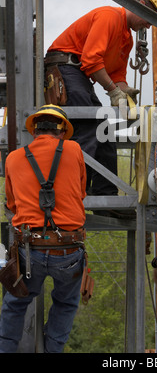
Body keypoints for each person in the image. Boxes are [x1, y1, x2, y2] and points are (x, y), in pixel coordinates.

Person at [44, 0, 157, 198]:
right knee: (87, 126)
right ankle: (74, 193)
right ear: (141, 6)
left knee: (104, 130)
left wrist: (124, 91)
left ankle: (105, 195)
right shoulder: (109, 17)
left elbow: (116, 74)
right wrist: (113, 91)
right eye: (150, 19)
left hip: (79, 75)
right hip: (65, 68)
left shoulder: (127, 38)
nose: (148, 26)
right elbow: (91, 60)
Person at [0, 104, 87, 353]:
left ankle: (5, 349)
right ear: (62, 131)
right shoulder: (74, 149)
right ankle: (53, 349)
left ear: (34, 130)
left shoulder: (14, 157)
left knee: (15, 303)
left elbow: (12, 204)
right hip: (67, 248)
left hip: (30, 248)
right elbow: (81, 192)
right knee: (65, 304)